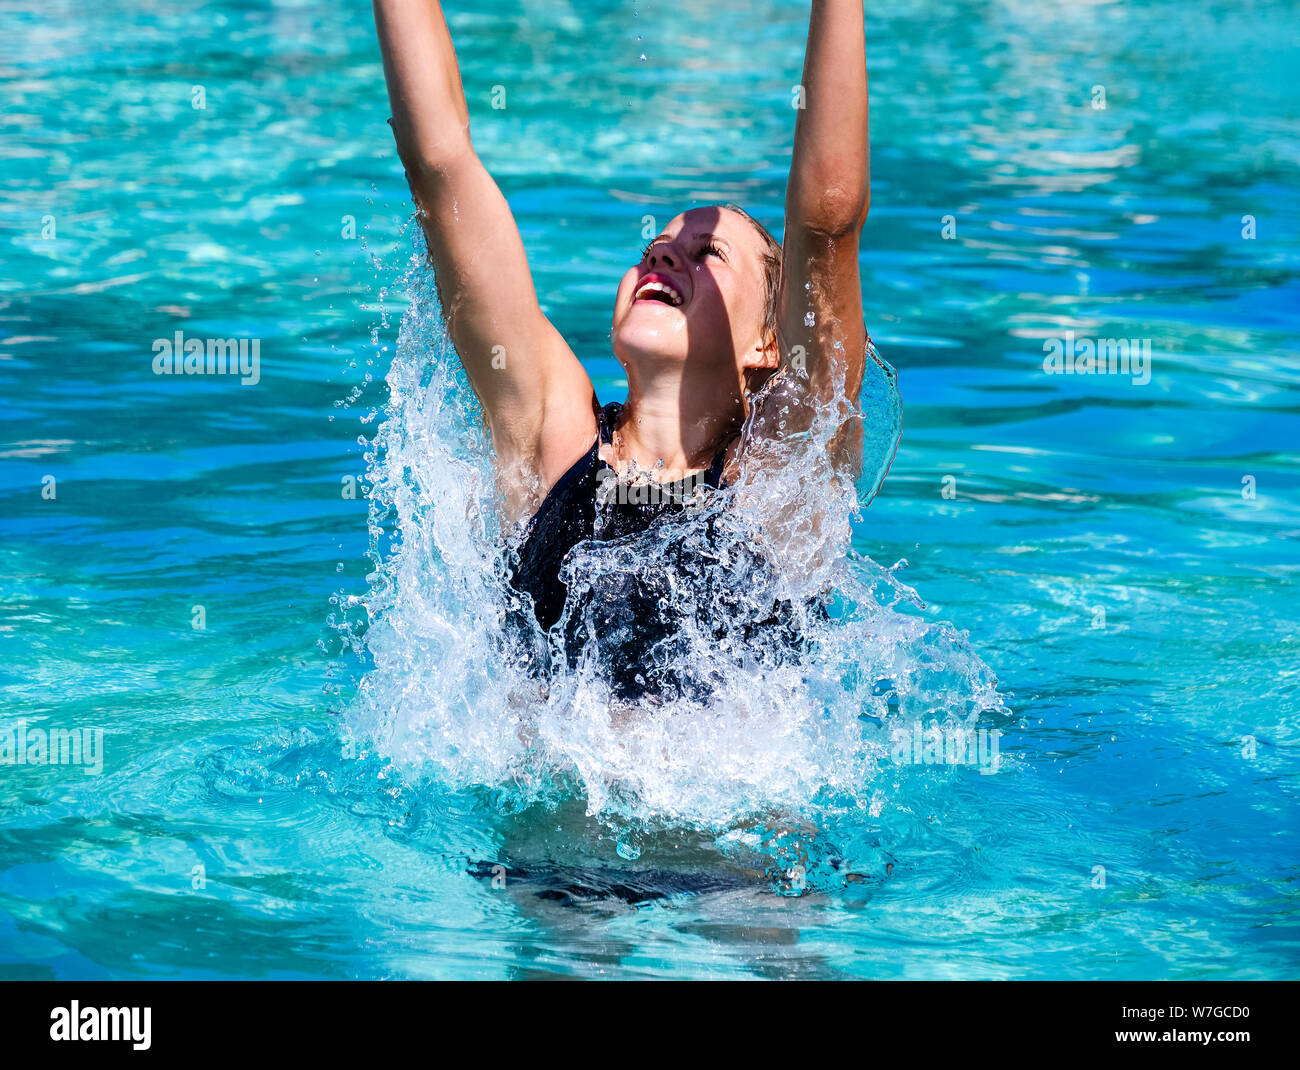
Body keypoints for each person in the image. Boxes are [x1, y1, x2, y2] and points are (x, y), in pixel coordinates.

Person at [373, 0, 886, 699]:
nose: (662, 257)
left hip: (736, 814)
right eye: (654, 249)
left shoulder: (780, 481)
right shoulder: (552, 441)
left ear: (769, 343)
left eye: (706, 253)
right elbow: (441, 167)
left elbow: (827, 220)